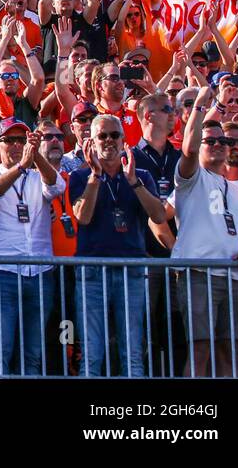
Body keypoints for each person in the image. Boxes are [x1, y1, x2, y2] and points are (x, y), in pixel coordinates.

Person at [156, 87, 238, 377]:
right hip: (198, 275)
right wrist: (201, 106)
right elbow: (188, 149)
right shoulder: (190, 180)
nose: (217, 145)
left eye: (222, 141)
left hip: (233, 278)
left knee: (229, 352)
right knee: (201, 349)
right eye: (210, 140)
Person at [67, 114, 166, 377]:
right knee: (92, 352)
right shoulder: (79, 176)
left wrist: (134, 182)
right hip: (91, 271)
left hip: (130, 270)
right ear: (92, 141)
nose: (109, 141)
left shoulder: (141, 174)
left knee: (132, 351)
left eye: (114, 135)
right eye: (102, 136)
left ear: (124, 140)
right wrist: (96, 176)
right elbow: (83, 217)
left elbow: (158, 216)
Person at [0, 118, 65, 376]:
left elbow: (57, 186)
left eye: (21, 141)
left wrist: (36, 158)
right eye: (9, 140)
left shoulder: (39, 175)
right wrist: (21, 167)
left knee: (33, 356)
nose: (15, 146)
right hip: (1, 273)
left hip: (40, 272)